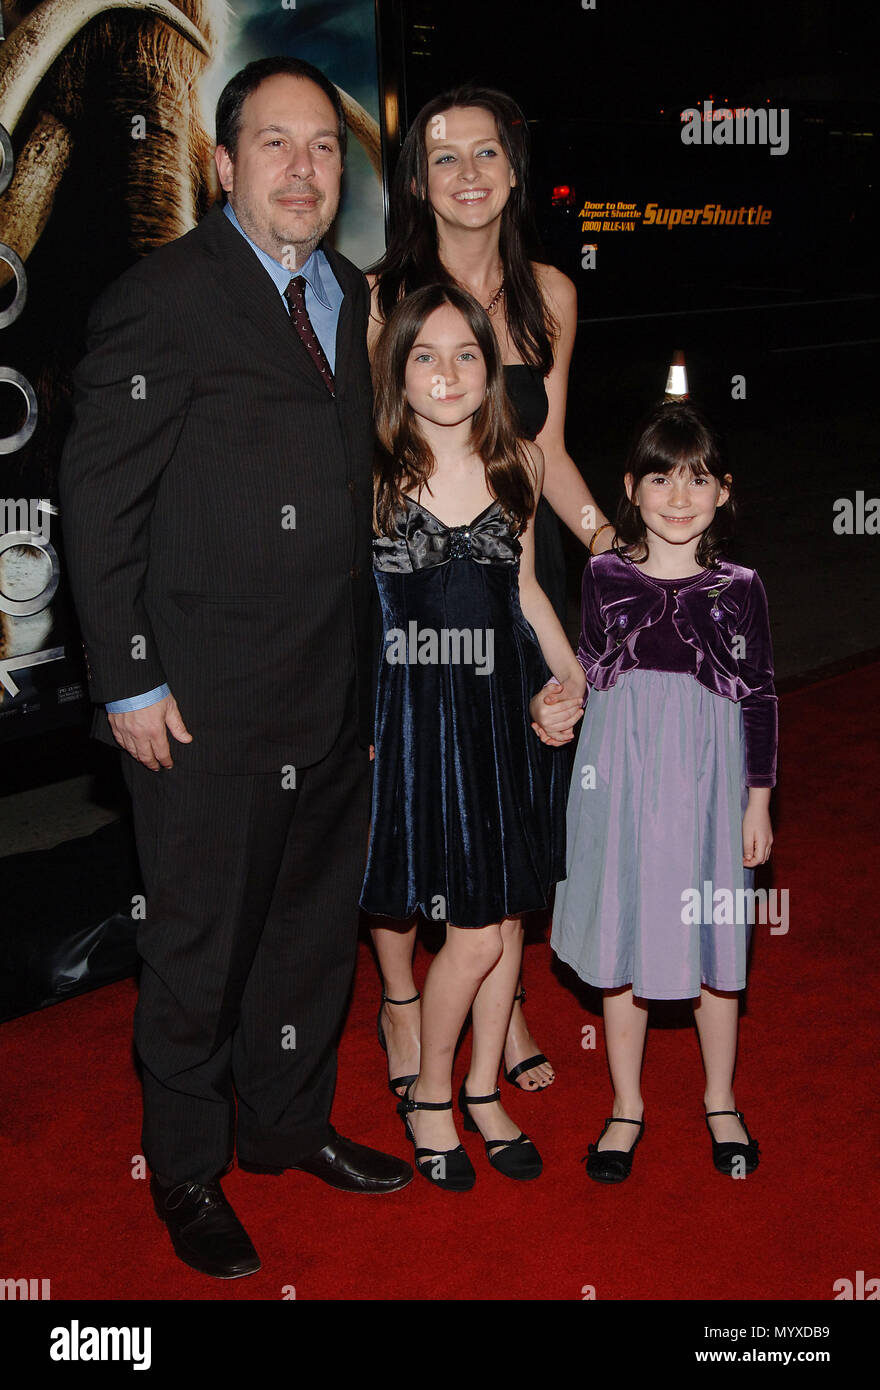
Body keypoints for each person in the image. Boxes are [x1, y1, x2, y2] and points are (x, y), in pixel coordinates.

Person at [59, 56, 412, 1281]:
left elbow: (351, 501)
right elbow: (97, 505)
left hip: (329, 691)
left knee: (310, 935)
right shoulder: (165, 297)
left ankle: (288, 1123)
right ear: (223, 164)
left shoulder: (351, 292)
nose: (305, 168)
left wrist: (371, 683)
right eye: (275, 144)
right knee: (200, 947)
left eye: (323, 146)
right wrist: (129, 680)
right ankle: (190, 1168)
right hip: (201, 707)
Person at [366, 85, 612, 1098]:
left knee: (506, 800)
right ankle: (399, 998)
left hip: (518, 567)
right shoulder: (385, 294)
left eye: (487, 154)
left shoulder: (550, 292)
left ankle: (497, 1012)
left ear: (514, 172)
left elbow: (544, 450)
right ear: (418, 183)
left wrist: (608, 542)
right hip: (415, 576)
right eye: (443, 158)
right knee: (410, 792)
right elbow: (369, 457)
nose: (467, 174)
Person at [360, 284, 585, 1190]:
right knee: (477, 935)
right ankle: (428, 1093)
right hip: (416, 721)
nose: (447, 372)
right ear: (396, 369)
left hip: (500, 715)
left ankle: (484, 1092)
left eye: (466, 354)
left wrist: (571, 682)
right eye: (425, 355)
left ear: (490, 370)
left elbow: (526, 592)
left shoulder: (515, 466)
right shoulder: (370, 472)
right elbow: (348, 615)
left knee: (508, 914)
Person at [551, 401, 777, 1183]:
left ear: (724, 493)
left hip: (712, 783)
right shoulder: (605, 573)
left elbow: (761, 695)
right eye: (661, 478)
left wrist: (758, 801)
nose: (680, 496)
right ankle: (625, 1104)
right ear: (630, 489)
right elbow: (586, 672)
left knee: (716, 937)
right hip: (621, 774)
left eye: (699, 479)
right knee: (623, 932)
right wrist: (554, 709)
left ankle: (721, 1099)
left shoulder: (742, 586)